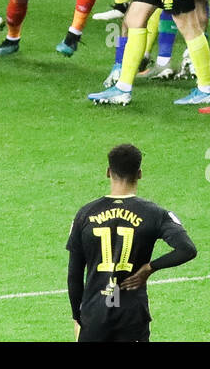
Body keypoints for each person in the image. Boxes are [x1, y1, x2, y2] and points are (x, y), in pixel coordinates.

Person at [66, 143, 197, 342]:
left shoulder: (85, 214)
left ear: (108, 172)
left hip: (95, 314)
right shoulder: (154, 213)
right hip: (132, 315)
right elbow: (187, 249)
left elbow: (74, 274)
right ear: (140, 174)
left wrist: (78, 314)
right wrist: (150, 268)